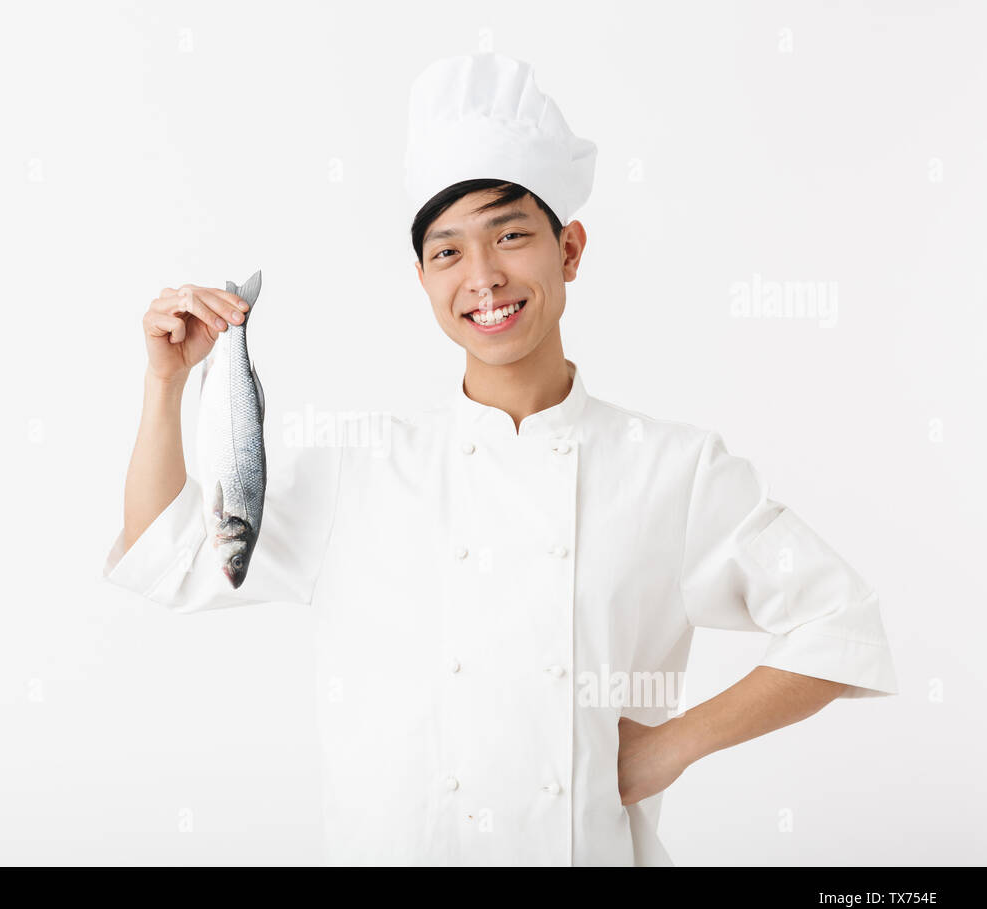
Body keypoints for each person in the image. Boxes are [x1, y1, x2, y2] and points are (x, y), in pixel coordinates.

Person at [102, 52, 898, 865]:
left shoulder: (674, 470)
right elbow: (164, 556)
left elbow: (841, 623)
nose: (483, 277)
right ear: (422, 279)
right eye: (448, 252)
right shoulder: (358, 467)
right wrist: (167, 384)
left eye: (511, 235)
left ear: (571, 249)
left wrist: (672, 745)